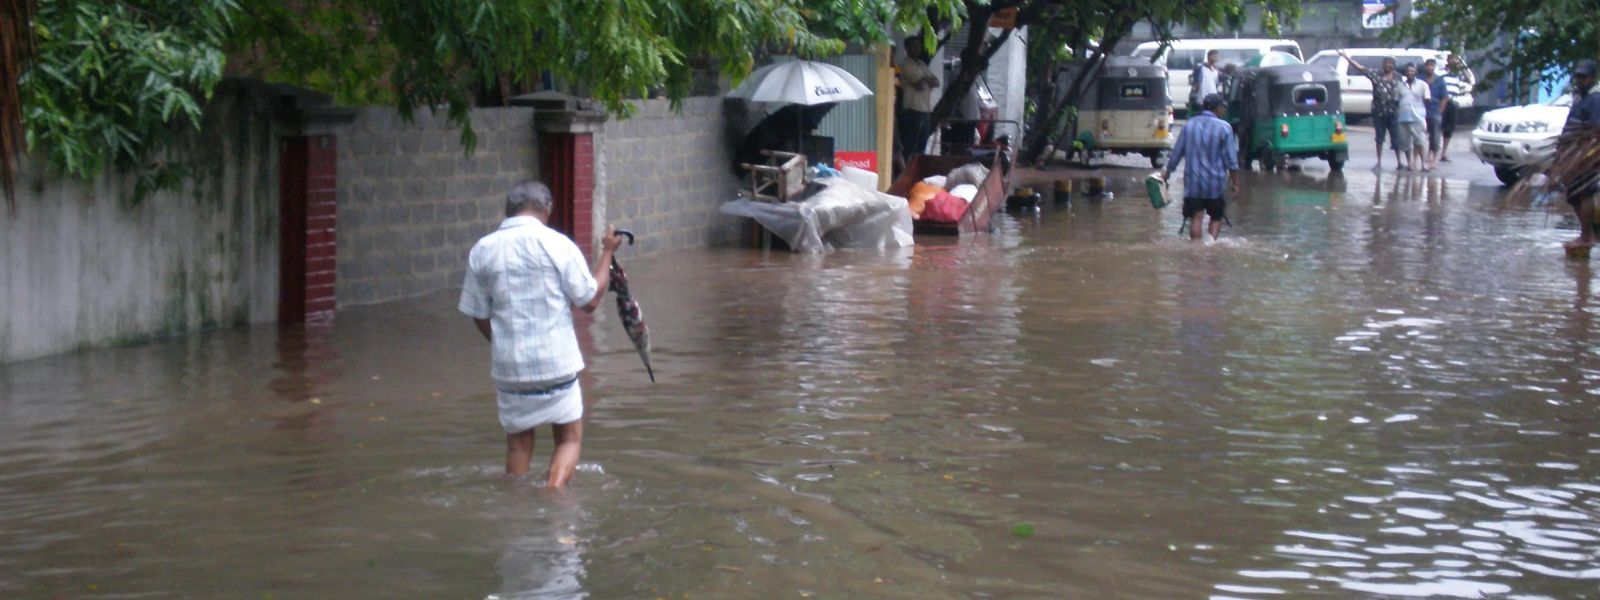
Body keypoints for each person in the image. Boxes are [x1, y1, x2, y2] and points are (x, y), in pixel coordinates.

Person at [459, 181, 627, 486]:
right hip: (557, 362)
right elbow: (590, 300)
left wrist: (503, 344)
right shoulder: (559, 245)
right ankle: (554, 499)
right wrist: (607, 254)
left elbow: (478, 313)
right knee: (569, 439)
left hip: (510, 367)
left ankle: (516, 508)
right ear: (546, 209)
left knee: (518, 444)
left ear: (507, 211)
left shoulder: (482, 250)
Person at [1164, 93, 1241, 241]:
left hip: (1192, 183)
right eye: (1222, 107)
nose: (1224, 110)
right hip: (1215, 184)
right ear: (1217, 108)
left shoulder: (1189, 125)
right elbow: (1231, 160)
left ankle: (1195, 249)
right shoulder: (1225, 128)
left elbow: (1176, 154)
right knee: (1216, 217)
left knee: (1196, 217)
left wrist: (1166, 175)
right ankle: (1209, 248)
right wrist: (1236, 183)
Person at [1340, 51, 1403, 170]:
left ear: (1394, 65)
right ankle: (1378, 162)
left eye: (1390, 63)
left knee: (1396, 138)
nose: (1387, 65)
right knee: (1379, 138)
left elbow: (1403, 93)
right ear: (1383, 64)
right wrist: (1346, 57)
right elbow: (1360, 68)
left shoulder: (1398, 77)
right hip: (1379, 112)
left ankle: (1399, 162)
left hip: (1393, 112)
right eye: (1386, 63)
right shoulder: (1376, 74)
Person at [1561, 60, 1600, 250]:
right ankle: (1587, 235)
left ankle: (1586, 237)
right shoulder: (1580, 97)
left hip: (1584, 155)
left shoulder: (1595, 98)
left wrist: (1584, 155)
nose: (1579, 80)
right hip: (1571, 153)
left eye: (1583, 77)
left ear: (1593, 78)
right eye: (1577, 76)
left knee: (1584, 193)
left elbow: (1595, 129)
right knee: (1574, 195)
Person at [896, 38, 940, 158]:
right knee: (910, 146)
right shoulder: (905, 65)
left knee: (921, 147)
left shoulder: (922, 64)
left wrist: (924, 78)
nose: (916, 49)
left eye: (918, 46)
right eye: (913, 46)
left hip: (925, 110)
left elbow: (936, 82)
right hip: (912, 110)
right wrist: (926, 79)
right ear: (907, 49)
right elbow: (919, 85)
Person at [1439, 53, 1474, 162]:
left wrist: (1462, 67)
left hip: (1453, 103)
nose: (1455, 62)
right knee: (1436, 127)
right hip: (1442, 102)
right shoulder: (1441, 73)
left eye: (1457, 60)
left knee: (1449, 129)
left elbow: (1471, 81)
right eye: (1453, 59)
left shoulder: (1459, 75)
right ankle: (1434, 151)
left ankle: (1443, 153)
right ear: (1448, 60)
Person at [1396, 63, 1431, 171]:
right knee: (1406, 143)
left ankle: (1423, 165)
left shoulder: (1422, 84)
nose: (1410, 72)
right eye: (1408, 71)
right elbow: (1396, 101)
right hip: (1403, 118)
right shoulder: (1400, 85)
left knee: (1420, 141)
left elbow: (1427, 100)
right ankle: (1410, 163)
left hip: (1417, 117)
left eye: (1412, 71)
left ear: (1415, 72)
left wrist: (1421, 111)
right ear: (1405, 73)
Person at [1422, 58, 1450, 168]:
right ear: (1425, 66)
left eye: (1432, 65)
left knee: (1435, 135)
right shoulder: (1420, 79)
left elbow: (1445, 98)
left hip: (1434, 110)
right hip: (1421, 110)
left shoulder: (1439, 80)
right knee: (1421, 135)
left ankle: (1435, 158)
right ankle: (1425, 155)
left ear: (1434, 67)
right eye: (1428, 65)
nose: (1429, 67)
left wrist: (1440, 111)